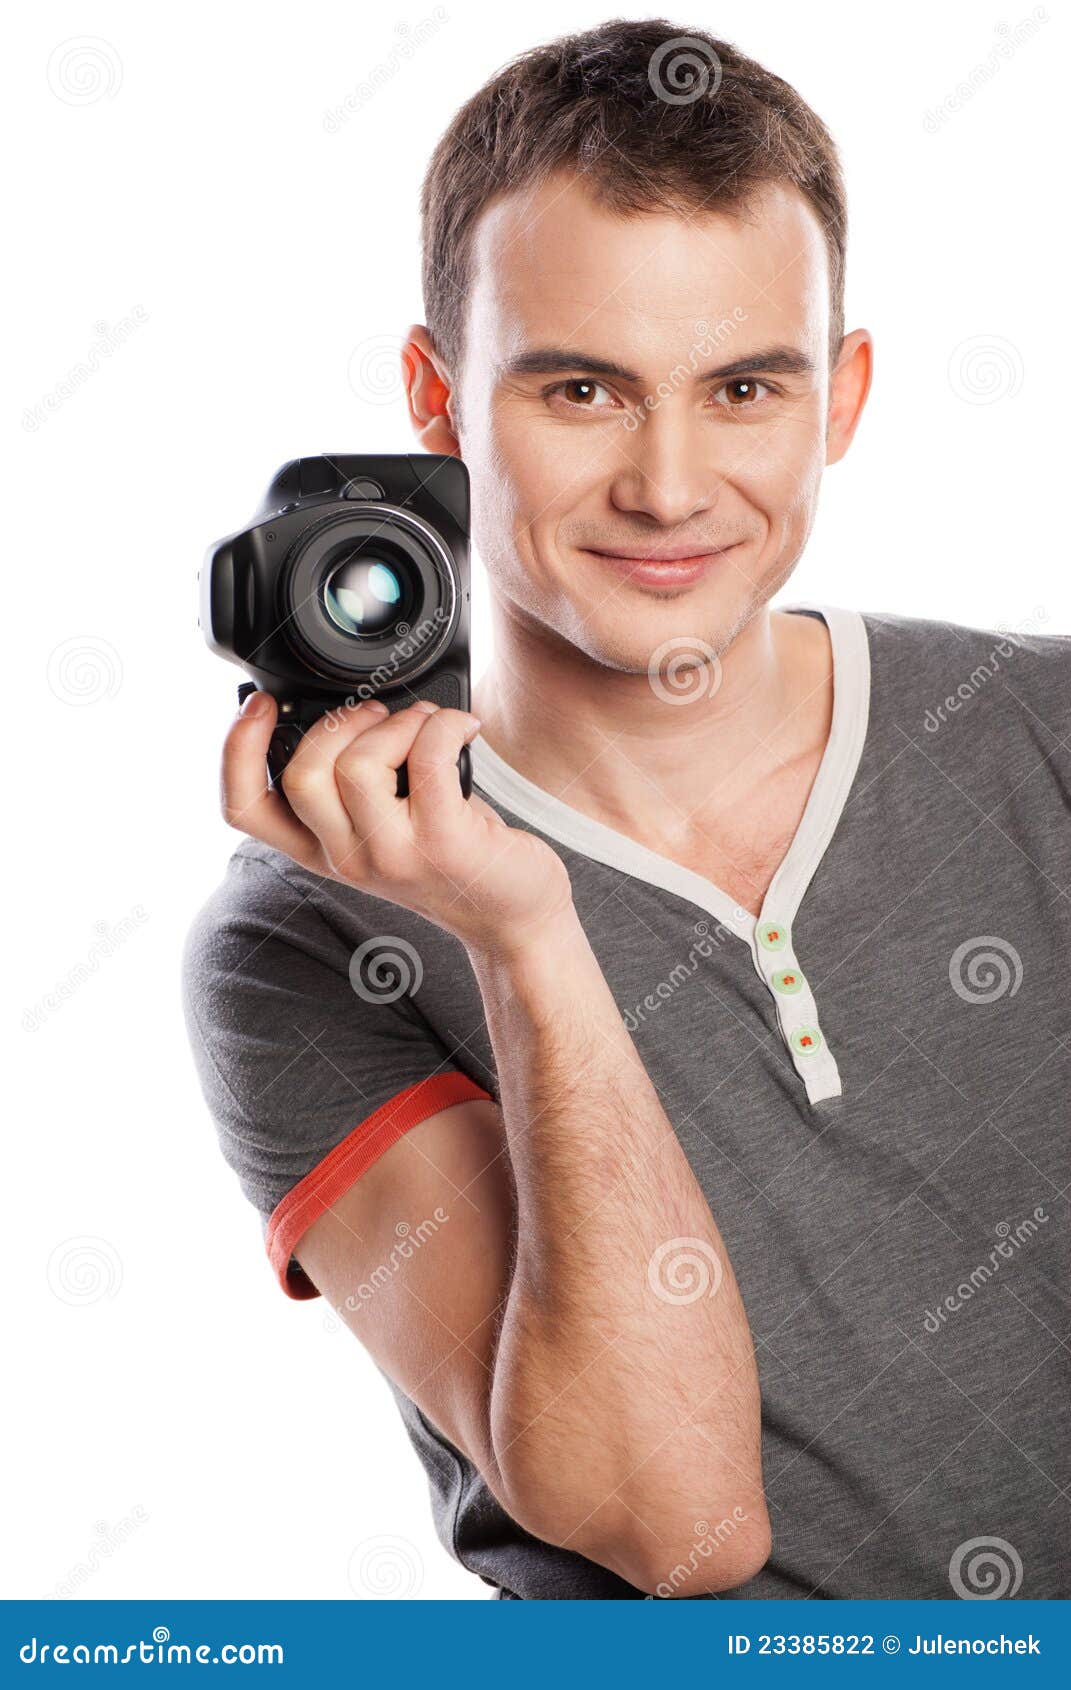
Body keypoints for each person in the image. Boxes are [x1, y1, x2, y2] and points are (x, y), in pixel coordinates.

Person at [181, 19, 1070, 1600]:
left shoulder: (1045, 732)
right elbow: (677, 1529)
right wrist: (525, 938)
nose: (669, 485)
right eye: (583, 388)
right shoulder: (305, 938)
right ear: (435, 396)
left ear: (841, 397)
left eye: (742, 387)